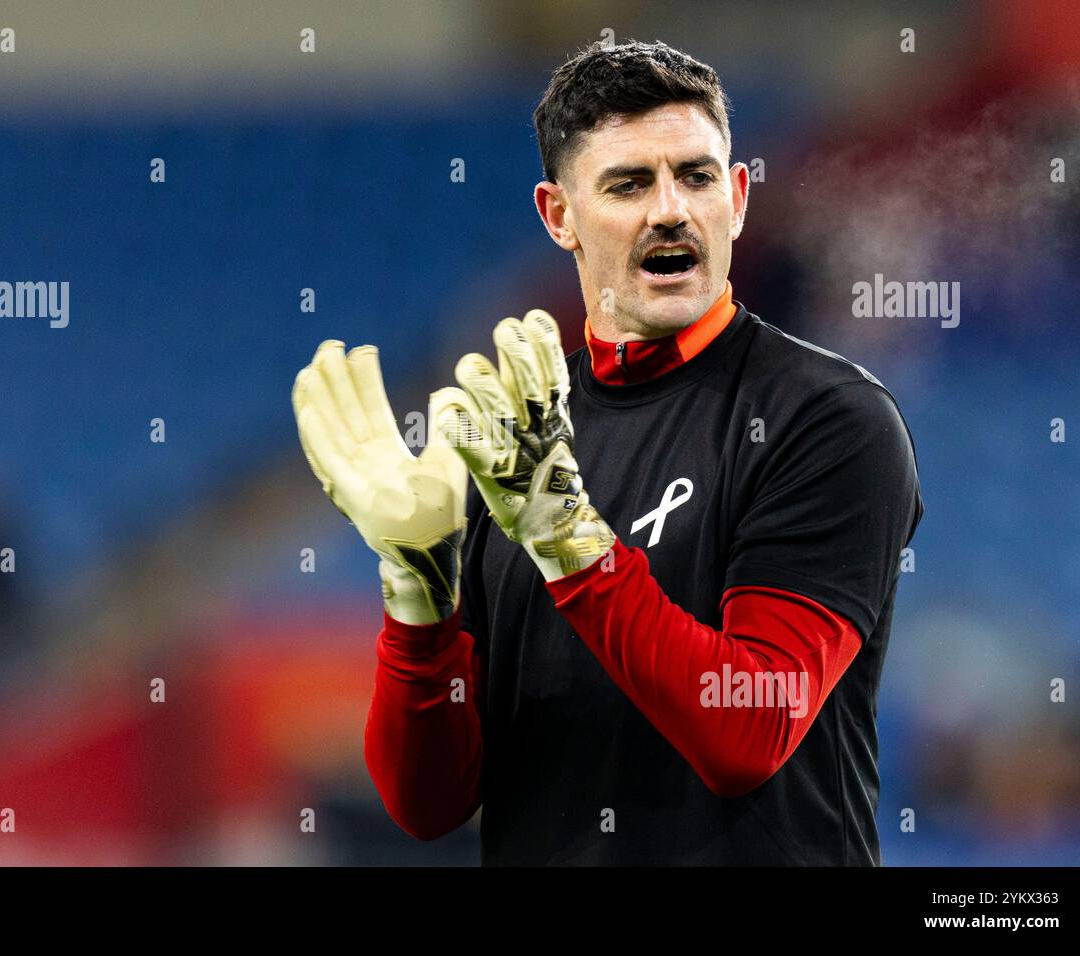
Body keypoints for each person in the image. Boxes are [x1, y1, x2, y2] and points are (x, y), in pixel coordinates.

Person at [293, 40, 923, 865]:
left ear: (736, 199)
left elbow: (749, 731)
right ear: (559, 216)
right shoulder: (510, 440)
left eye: (696, 176)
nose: (670, 209)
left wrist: (569, 542)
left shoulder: (827, 420)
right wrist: (421, 594)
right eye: (628, 184)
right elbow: (429, 803)